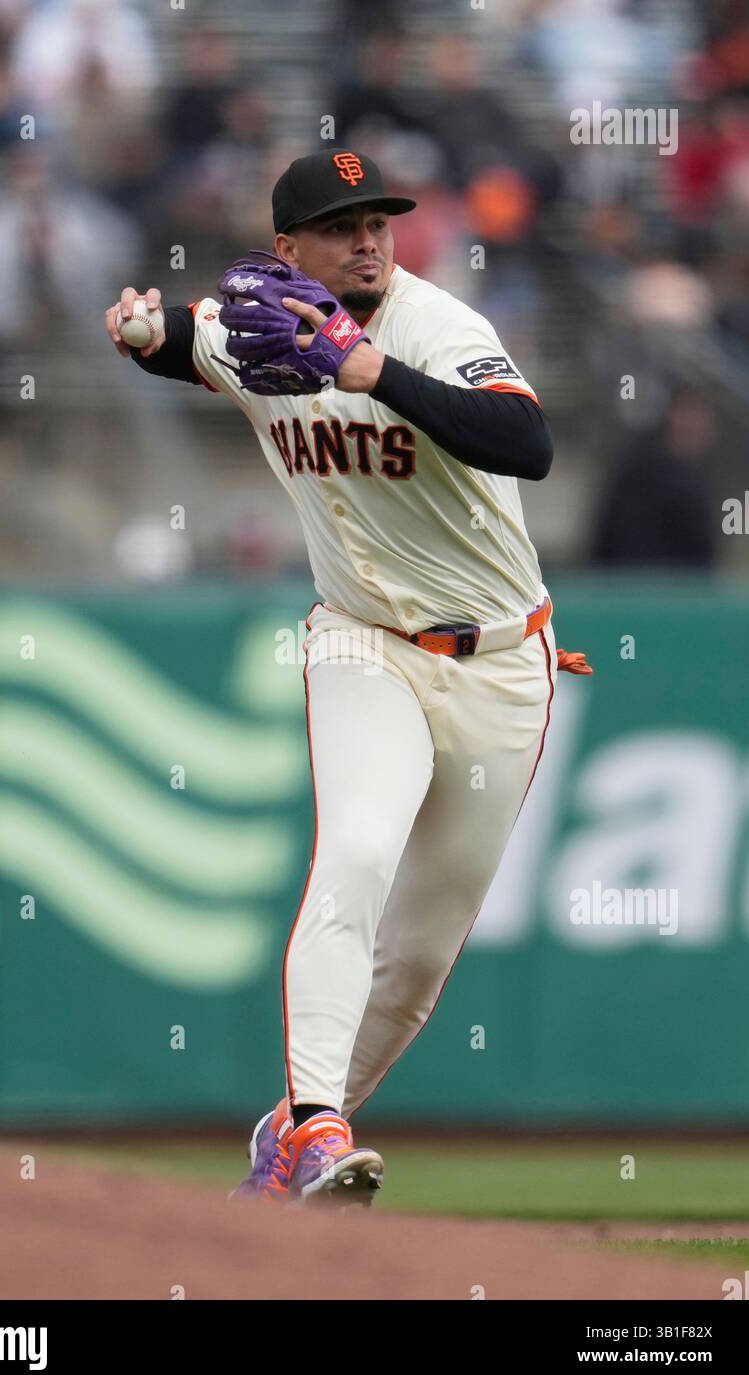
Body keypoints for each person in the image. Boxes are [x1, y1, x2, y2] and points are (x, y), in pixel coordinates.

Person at [105, 148, 590, 1208]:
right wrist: (142, 333)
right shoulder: (261, 325)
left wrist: (371, 371)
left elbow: (527, 441)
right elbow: (180, 339)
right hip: (360, 640)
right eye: (339, 225)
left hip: (502, 663)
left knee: (413, 967)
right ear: (289, 250)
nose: (367, 239)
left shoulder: (437, 327)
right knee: (358, 849)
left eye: (376, 220)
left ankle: (283, 1143)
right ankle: (320, 1127)